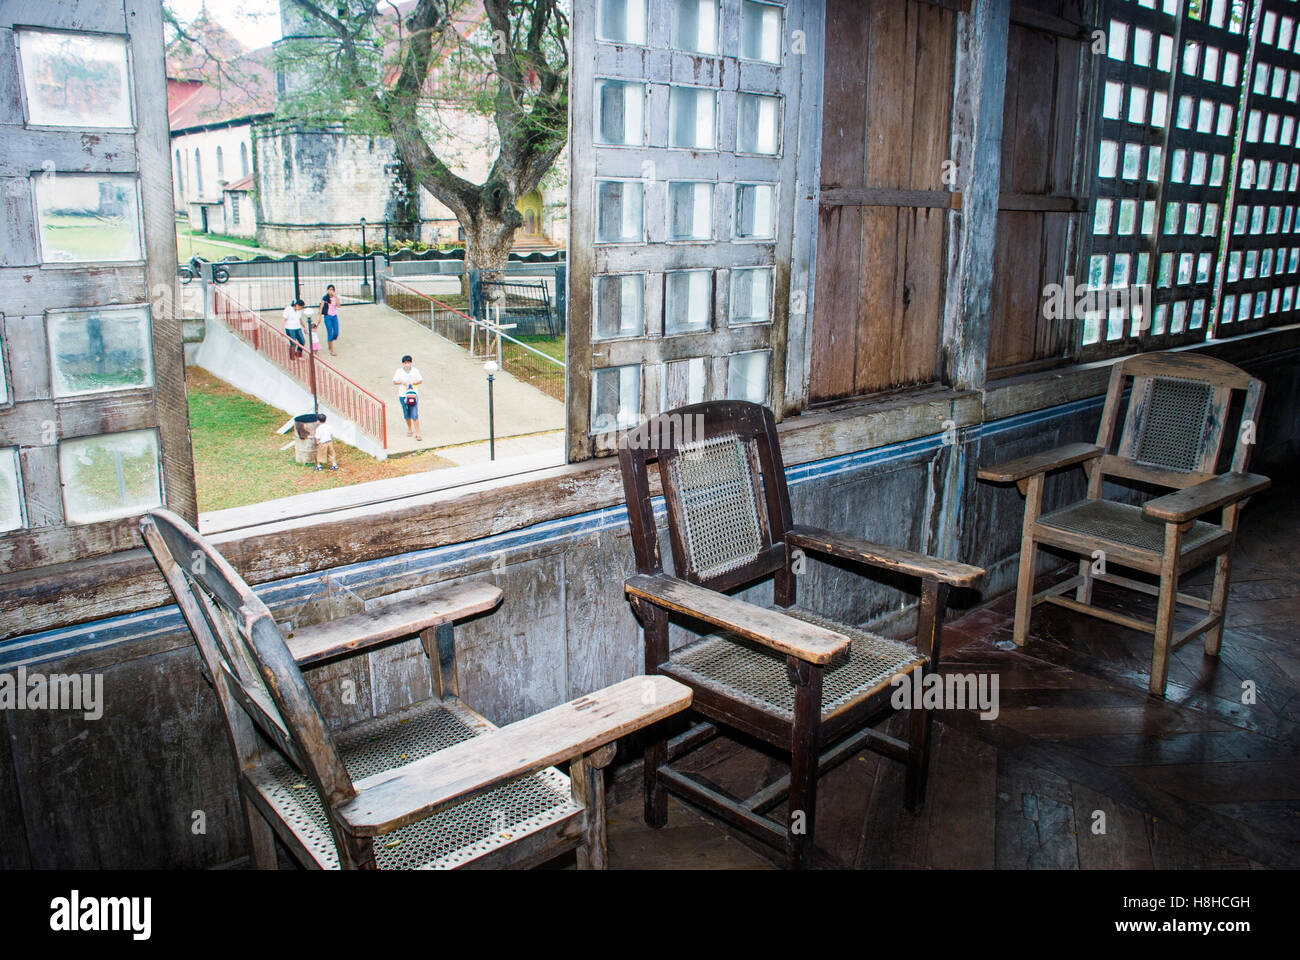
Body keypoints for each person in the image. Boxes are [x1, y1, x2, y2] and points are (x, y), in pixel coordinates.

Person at [392, 354, 423, 442]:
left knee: (415, 414)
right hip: (403, 395)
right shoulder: (399, 371)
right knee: (406, 414)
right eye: (405, 363)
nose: (407, 365)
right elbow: (394, 381)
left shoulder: (415, 370)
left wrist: (414, 383)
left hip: (413, 395)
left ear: (411, 363)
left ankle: (418, 433)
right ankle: (409, 429)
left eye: (408, 363)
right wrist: (402, 382)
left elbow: (420, 380)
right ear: (403, 363)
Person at [320, 284, 340, 356]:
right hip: (327, 317)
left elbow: (339, 305)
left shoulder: (334, 298)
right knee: (330, 333)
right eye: (329, 289)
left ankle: (330, 342)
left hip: (334, 316)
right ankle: (331, 349)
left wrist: (336, 296)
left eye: (332, 290)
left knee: (336, 333)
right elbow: (321, 307)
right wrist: (319, 318)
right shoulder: (325, 298)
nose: (330, 291)